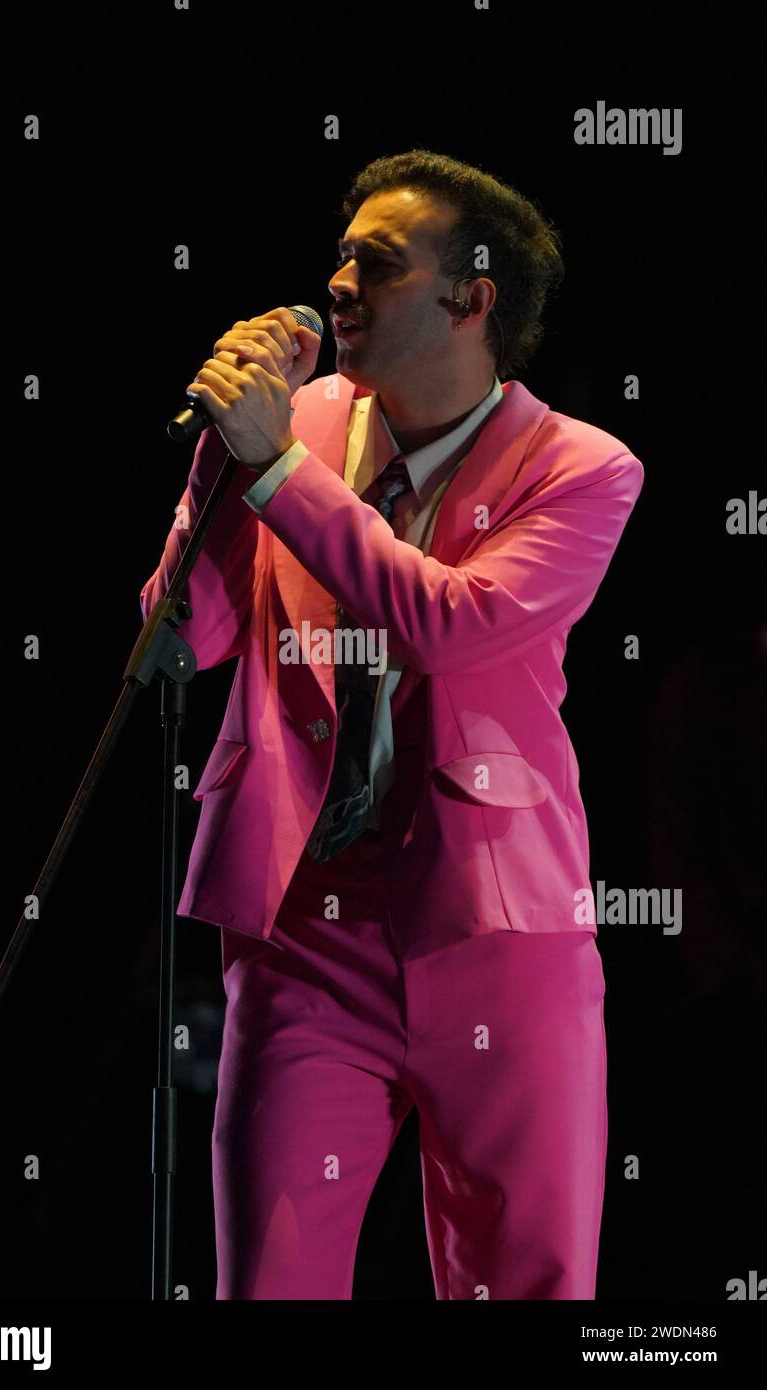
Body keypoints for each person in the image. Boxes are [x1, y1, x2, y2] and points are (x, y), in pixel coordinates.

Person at [140, 149, 645, 1299]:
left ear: (472, 299)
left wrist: (276, 470)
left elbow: (449, 625)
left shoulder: (583, 469)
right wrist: (228, 449)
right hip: (305, 933)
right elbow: (185, 639)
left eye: (376, 262)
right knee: (271, 1281)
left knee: (525, 1283)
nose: (337, 282)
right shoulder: (296, 422)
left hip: (496, 939)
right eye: (341, 254)